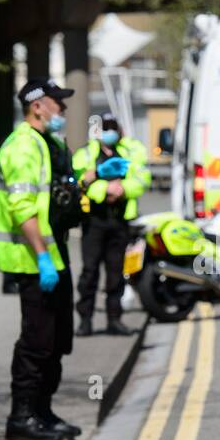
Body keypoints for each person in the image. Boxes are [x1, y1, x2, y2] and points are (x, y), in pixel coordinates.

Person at [0, 78, 82, 440]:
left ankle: (43, 412)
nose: (64, 109)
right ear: (37, 106)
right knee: (36, 342)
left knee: (59, 340)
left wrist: (89, 179)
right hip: (32, 261)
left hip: (54, 255)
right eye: (58, 103)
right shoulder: (22, 147)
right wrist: (43, 257)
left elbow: (56, 196)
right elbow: (22, 209)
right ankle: (22, 417)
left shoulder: (49, 143)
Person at [72, 113, 150, 336]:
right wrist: (104, 190)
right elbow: (79, 182)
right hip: (94, 221)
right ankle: (85, 320)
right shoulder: (85, 154)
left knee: (116, 273)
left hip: (119, 220)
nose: (109, 133)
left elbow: (141, 179)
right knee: (89, 273)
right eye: (104, 128)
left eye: (112, 128)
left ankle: (114, 320)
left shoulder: (128, 153)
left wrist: (123, 189)